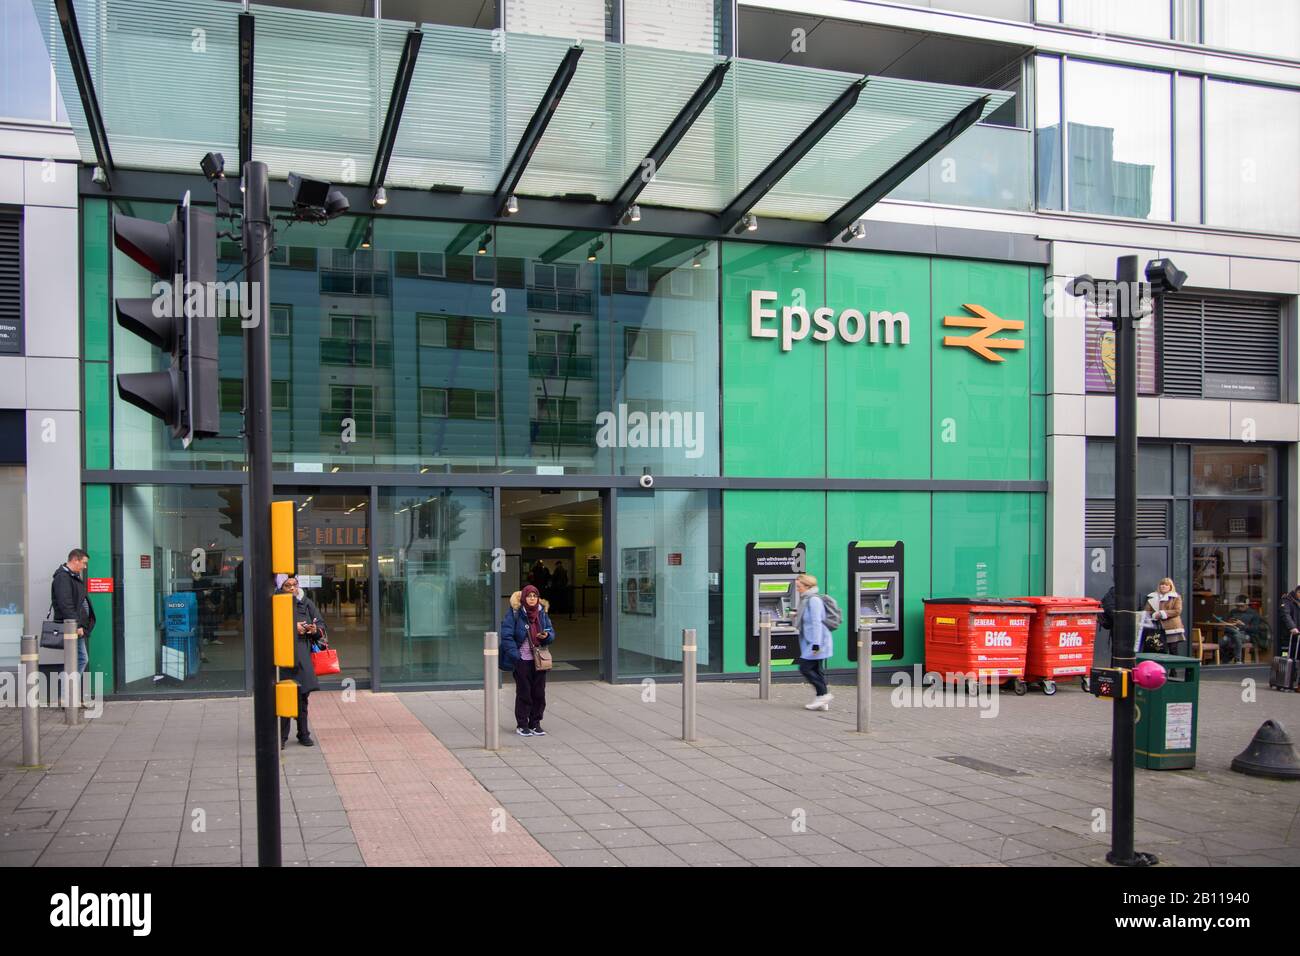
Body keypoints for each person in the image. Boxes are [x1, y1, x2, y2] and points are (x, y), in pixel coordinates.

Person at [500, 584, 555, 737]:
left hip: (539, 660)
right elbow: (506, 636)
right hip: (522, 660)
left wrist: (547, 636)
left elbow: (551, 631)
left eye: (535, 596)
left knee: (539, 693)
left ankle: (535, 723)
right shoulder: (515, 613)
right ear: (524, 597)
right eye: (529, 596)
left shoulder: (542, 613)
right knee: (524, 693)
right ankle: (522, 724)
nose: (532, 599)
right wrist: (515, 657)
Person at [278, 574, 326, 749]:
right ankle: (281, 736)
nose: (292, 588)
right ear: (281, 587)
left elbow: (321, 626)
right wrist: (293, 628)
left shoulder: (306, 602)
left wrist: (313, 629)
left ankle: (303, 733)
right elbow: (271, 627)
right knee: (284, 695)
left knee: (303, 695)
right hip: (283, 655)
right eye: (287, 585)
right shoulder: (276, 603)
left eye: (295, 584)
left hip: (303, 654)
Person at [51, 548, 95, 677]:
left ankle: (69, 691)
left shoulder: (72, 576)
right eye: (84, 563)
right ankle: (67, 692)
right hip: (72, 628)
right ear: (75, 560)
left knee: (79, 659)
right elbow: (66, 604)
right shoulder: (63, 578)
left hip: (75, 627)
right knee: (80, 659)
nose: (85, 567)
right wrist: (77, 625)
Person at [793, 573, 833, 711]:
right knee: (816, 669)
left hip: (817, 641)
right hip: (812, 640)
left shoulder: (813, 600)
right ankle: (821, 698)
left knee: (805, 667)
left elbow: (816, 622)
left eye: (799, 586)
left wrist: (816, 644)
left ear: (807, 586)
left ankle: (824, 695)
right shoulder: (806, 599)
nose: (797, 589)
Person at [1219, 595, 1267, 664]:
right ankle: (1225, 660)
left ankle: (1238, 660)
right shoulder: (1233, 611)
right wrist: (1228, 623)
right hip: (1231, 633)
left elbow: (1255, 629)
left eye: (1241, 606)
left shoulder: (1253, 613)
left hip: (1247, 635)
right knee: (1222, 641)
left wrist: (1243, 625)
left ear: (1247, 604)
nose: (1239, 608)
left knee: (1237, 636)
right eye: (1237, 606)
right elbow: (1225, 622)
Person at [1144, 578, 1185, 657]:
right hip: (1157, 628)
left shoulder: (1176, 597)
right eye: (1162, 584)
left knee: (1173, 649)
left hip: (1172, 627)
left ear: (1170, 587)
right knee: (1157, 649)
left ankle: (1173, 669)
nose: (1163, 586)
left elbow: (1177, 611)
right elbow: (1146, 611)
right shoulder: (1152, 597)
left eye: (1166, 585)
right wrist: (1154, 614)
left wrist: (1163, 613)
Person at [1278, 585, 1300, 658]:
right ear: (1298, 592)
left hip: (1297, 635)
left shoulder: (1298, 601)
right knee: (1289, 656)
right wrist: (1292, 627)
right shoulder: (1286, 600)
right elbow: (1285, 614)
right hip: (1288, 634)